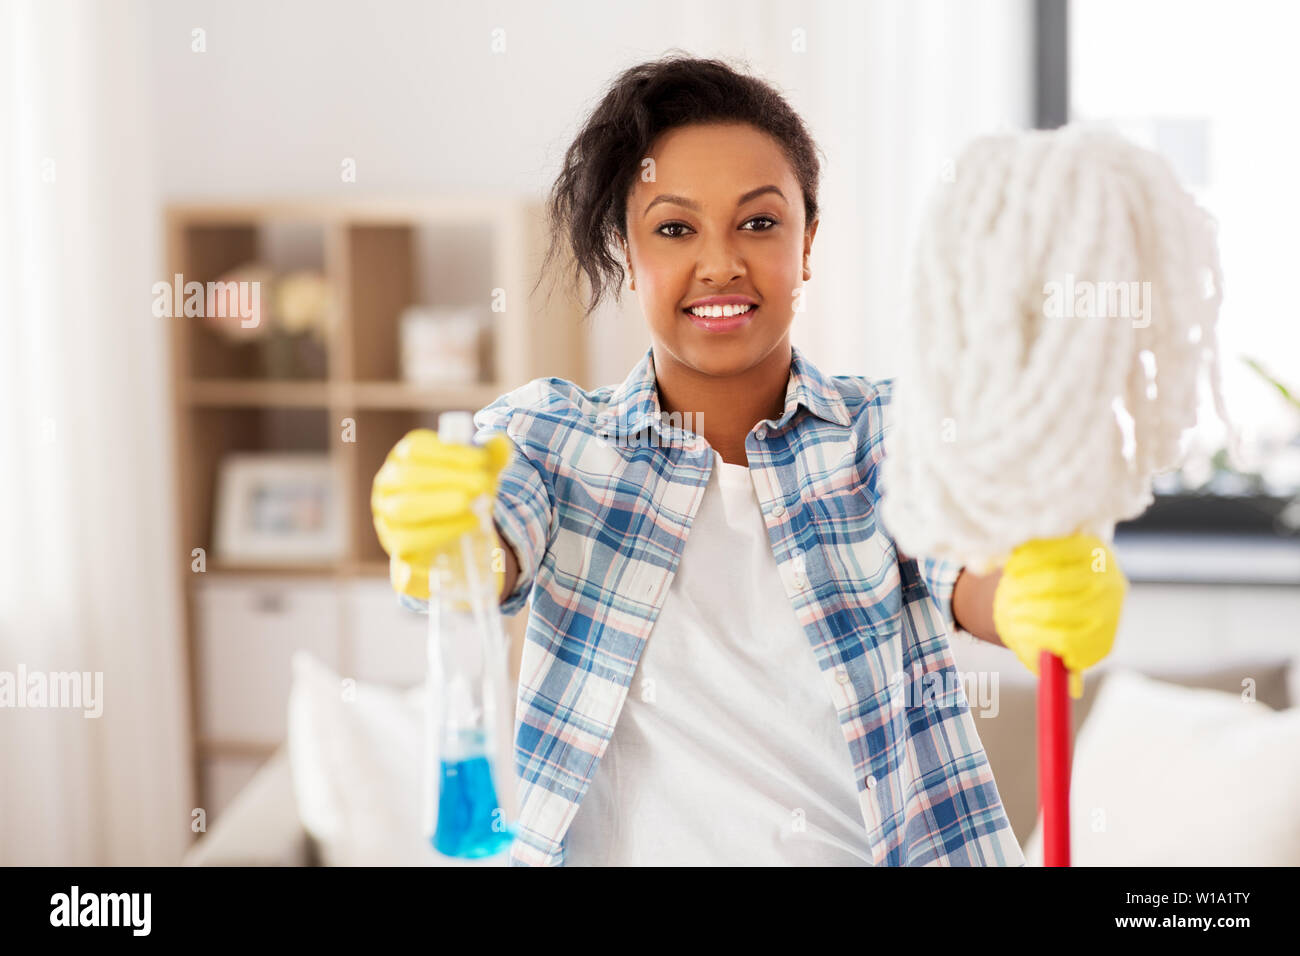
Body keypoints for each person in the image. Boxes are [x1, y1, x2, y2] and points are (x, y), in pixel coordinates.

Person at [371, 53, 1122, 867]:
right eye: (674, 227)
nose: (721, 262)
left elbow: (970, 568)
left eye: (759, 223)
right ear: (628, 252)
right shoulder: (552, 439)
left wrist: (1031, 592)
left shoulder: (887, 433)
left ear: (807, 244)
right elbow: (484, 554)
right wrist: (439, 546)